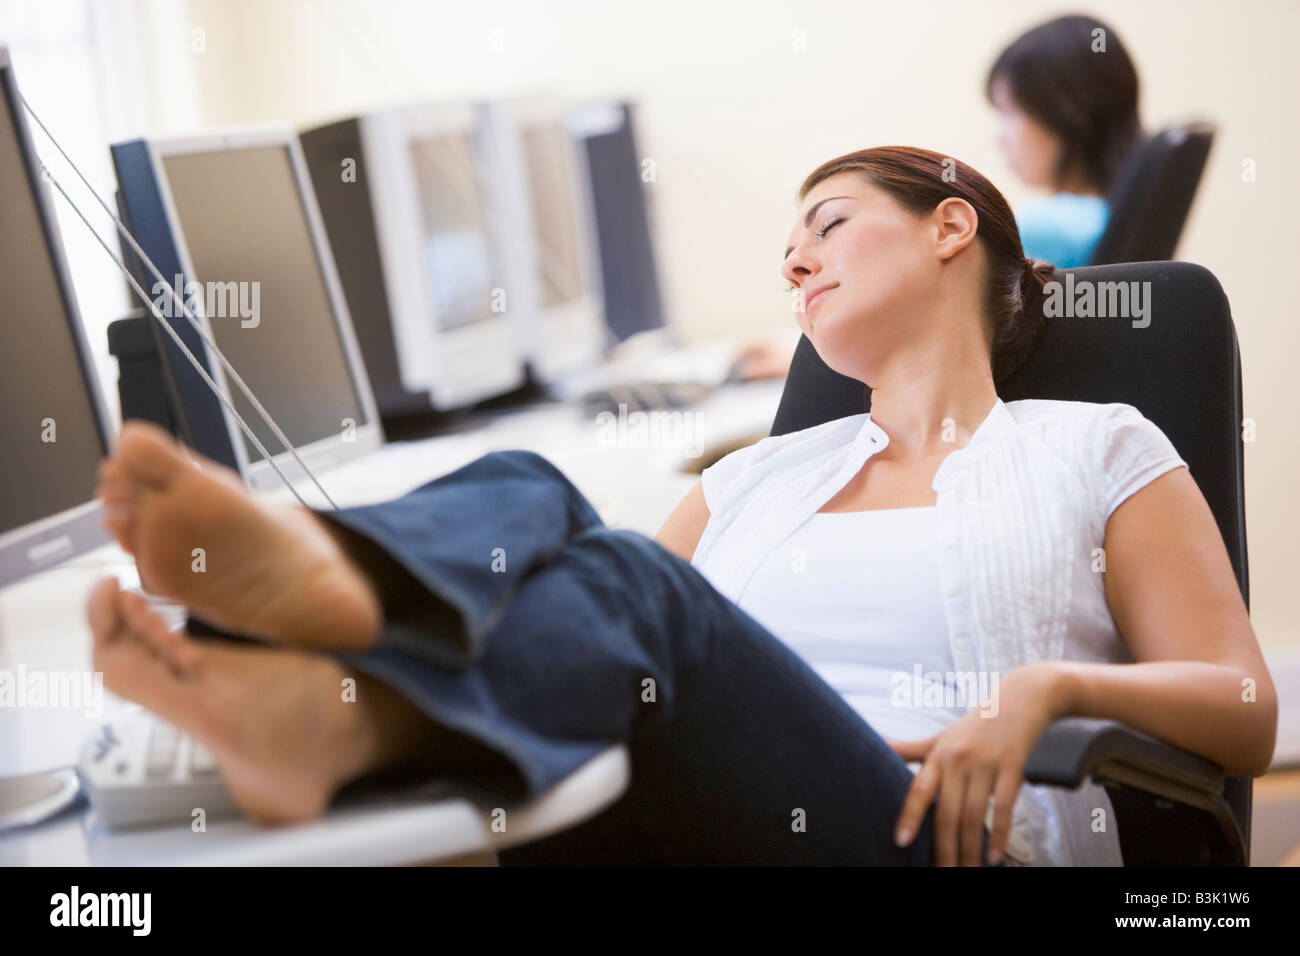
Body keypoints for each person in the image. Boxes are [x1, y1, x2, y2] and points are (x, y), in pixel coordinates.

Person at [87, 146, 1276, 867]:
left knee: (628, 577)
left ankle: (334, 658)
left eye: (828, 225)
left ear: (950, 225)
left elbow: (1243, 706)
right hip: (685, 817)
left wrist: (1045, 690)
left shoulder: (1093, 445)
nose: (796, 262)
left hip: (939, 835)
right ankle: (328, 681)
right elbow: (580, 637)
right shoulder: (754, 475)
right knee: (533, 494)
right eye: (789, 251)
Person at [987, 15, 1143, 267]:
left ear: (1065, 114)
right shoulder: (1123, 216)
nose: (1000, 138)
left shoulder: (1045, 228)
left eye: (1010, 111)